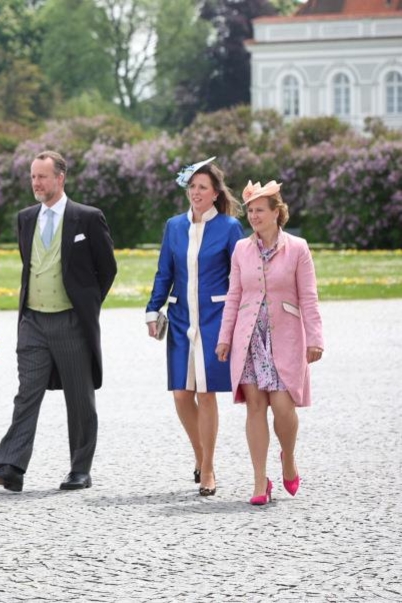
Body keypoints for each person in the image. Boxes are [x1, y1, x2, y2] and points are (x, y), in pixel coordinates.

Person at [0, 151, 117, 492]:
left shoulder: (87, 218)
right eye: (32, 177)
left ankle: (79, 470)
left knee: (79, 397)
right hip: (33, 322)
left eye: (42, 177)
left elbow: (108, 268)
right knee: (27, 393)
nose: (36, 183)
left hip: (71, 320)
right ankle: (11, 466)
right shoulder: (26, 218)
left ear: (61, 178)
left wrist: (85, 305)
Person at [216, 180, 323, 506]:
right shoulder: (241, 250)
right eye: (250, 210)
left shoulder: (298, 248)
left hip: (285, 338)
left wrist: (315, 338)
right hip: (249, 339)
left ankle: (288, 457)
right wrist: (225, 338)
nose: (253, 216)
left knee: (282, 406)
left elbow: (309, 297)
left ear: (277, 213)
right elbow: (234, 296)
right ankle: (260, 480)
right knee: (256, 407)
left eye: (259, 210)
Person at [145, 157, 243, 497]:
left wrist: (237, 319)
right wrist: (152, 309)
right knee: (181, 393)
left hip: (215, 319)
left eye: (202, 187)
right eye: (192, 187)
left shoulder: (230, 227)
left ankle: (209, 468)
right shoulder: (174, 226)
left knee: (206, 391)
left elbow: (239, 276)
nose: (196, 193)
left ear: (215, 193)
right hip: (181, 318)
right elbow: (164, 272)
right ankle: (201, 455)